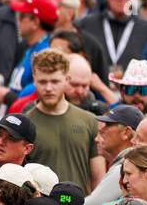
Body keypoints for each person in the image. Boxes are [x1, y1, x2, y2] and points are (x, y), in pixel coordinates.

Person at [23, 49, 104, 191]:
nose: (49, 88)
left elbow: (98, 179)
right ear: (34, 81)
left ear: (67, 79)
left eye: (55, 81)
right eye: (42, 82)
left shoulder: (90, 121)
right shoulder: (25, 124)